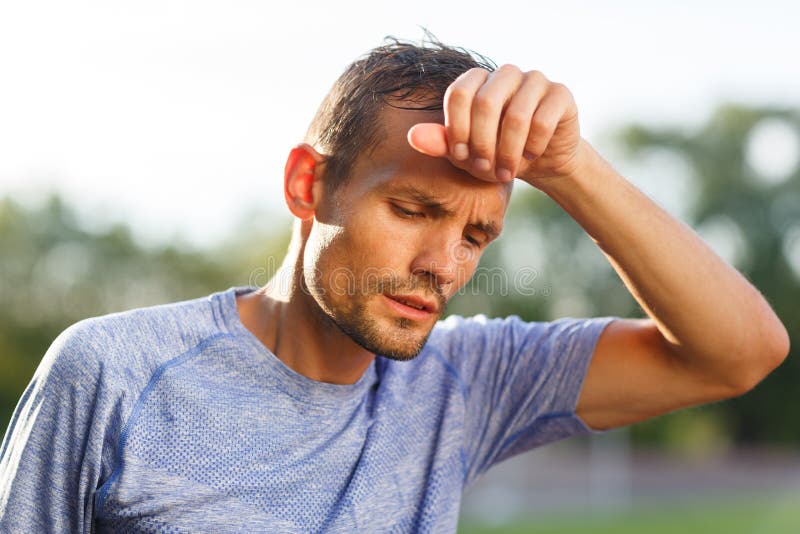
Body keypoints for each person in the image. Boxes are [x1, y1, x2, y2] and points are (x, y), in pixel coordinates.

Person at [0, 36, 790, 533]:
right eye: (414, 210)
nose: (445, 267)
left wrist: (569, 168)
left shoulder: (464, 385)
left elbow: (738, 352)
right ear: (309, 185)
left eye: (477, 236)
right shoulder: (113, 370)